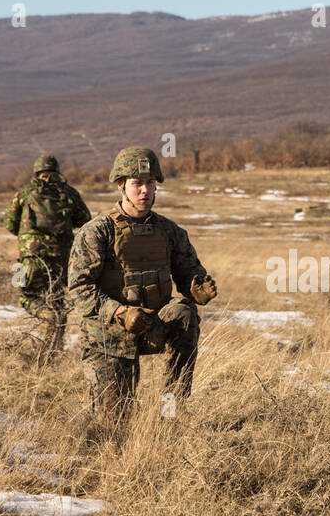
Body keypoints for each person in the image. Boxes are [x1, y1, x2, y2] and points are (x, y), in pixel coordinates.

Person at [67, 147, 218, 439]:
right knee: (114, 429)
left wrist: (197, 287)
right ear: (121, 185)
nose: (145, 191)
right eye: (138, 184)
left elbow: (188, 272)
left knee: (185, 313)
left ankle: (171, 408)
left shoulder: (169, 232)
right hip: (107, 336)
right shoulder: (97, 231)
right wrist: (120, 312)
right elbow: (79, 289)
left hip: (151, 325)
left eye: (150, 184)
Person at [3, 154, 91, 346]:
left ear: (37, 172)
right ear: (57, 171)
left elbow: (9, 223)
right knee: (58, 299)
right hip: (63, 257)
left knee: (28, 296)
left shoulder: (25, 193)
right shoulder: (69, 192)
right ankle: (55, 347)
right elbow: (85, 220)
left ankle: (45, 316)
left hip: (32, 256)